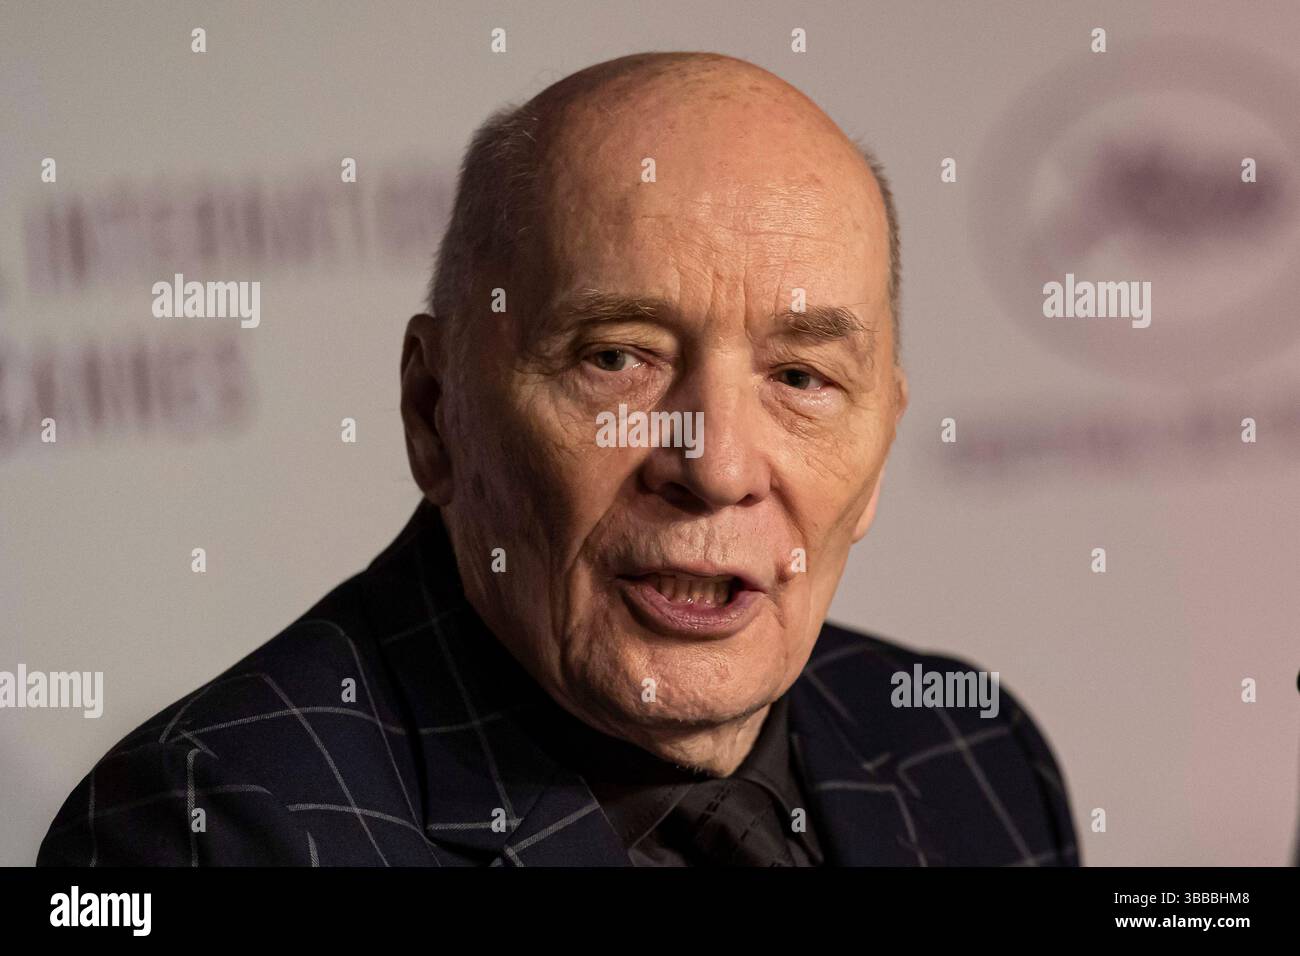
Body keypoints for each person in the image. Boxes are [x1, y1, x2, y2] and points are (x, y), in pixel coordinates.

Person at [38, 51, 1078, 867]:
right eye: (617, 357)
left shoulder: (970, 755)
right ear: (434, 409)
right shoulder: (210, 827)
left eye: (801, 378)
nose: (713, 467)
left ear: (884, 435)